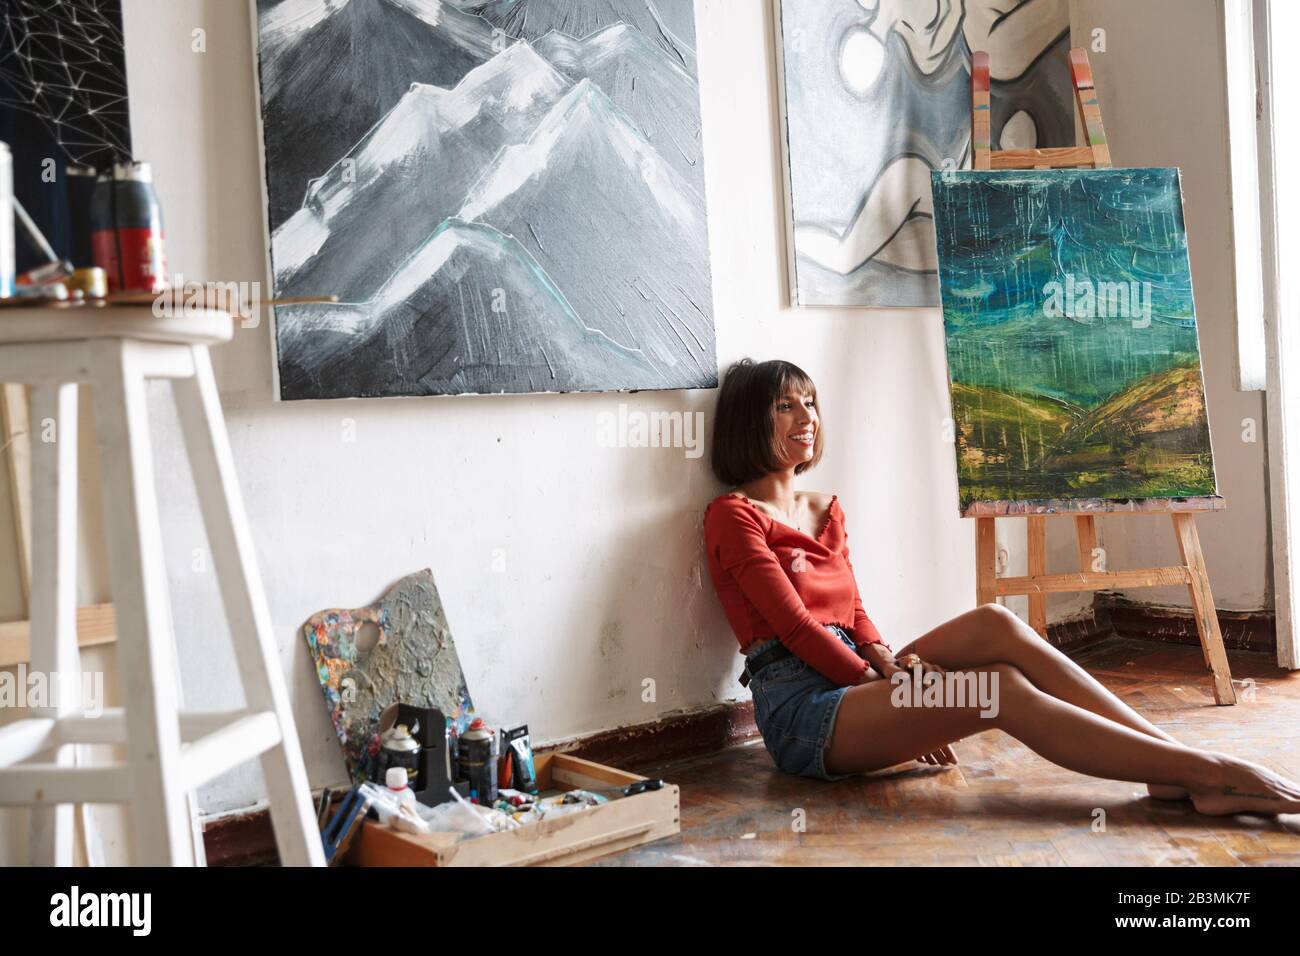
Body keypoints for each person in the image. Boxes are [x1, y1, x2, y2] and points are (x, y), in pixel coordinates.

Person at [702, 358, 1300, 815]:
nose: (806, 418)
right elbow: (796, 627)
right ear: (751, 423)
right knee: (998, 692)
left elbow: (854, 610)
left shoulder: (825, 505)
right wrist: (896, 692)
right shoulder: (733, 515)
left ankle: (1177, 766)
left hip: (859, 674)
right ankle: (1212, 773)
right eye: (785, 406)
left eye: (810, 402)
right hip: (806, 711)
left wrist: (894, 676)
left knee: (996, 624)